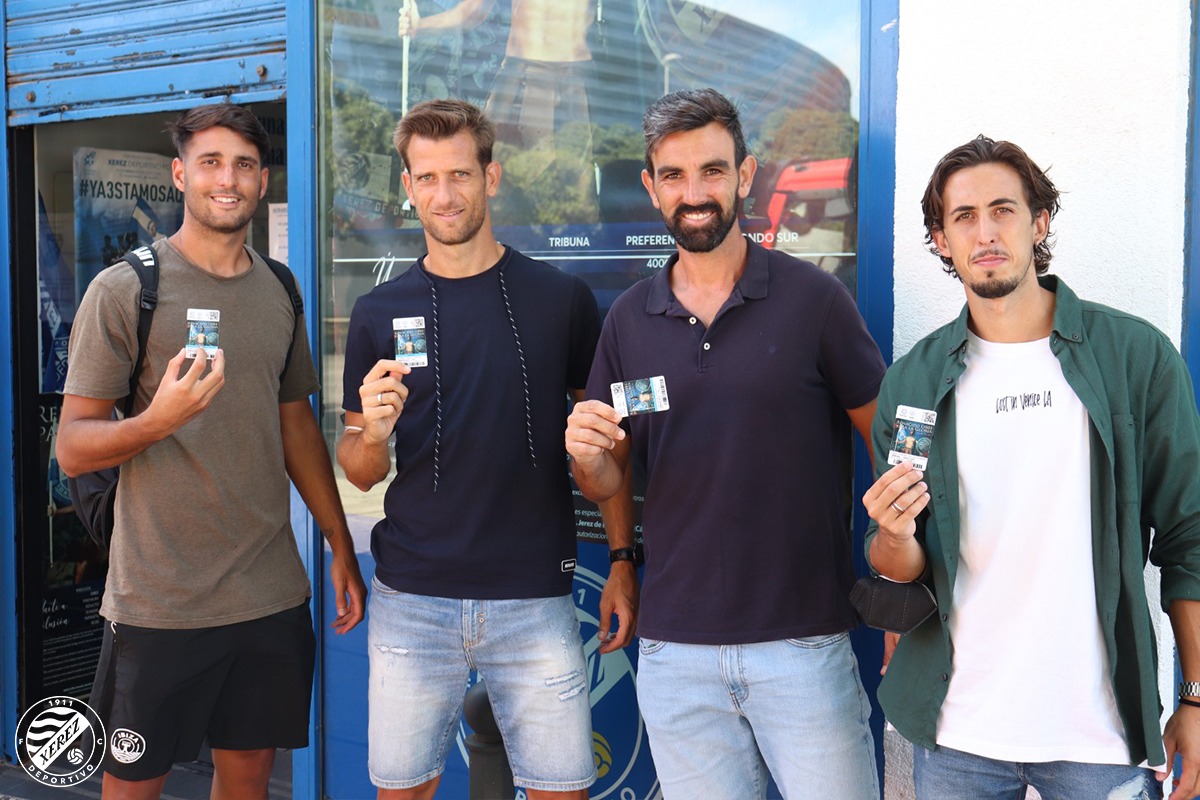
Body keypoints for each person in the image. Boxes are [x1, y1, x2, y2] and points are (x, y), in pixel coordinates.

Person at [565, 87, 884, 800]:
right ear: (651, 188)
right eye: (673, 176)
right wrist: (603, 507)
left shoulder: (815, 301)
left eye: (712, 171)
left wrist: (900, 578)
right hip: (676, 651)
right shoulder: (628, 321)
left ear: (746, 176)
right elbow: (609, 475)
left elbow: (885, 443)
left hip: (803, 643)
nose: (695, 193)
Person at [862, 135, 1200, 800]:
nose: (985, 232)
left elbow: (1189, 537)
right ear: (940, 240)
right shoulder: (914, 381)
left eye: (1003, 210)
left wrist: (1194, 697)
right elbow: (899, 569)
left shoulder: (1134, 358)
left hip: (1099, 736)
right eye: (963, 217)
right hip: (958, 733)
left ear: (1039, 222)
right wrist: (895, 537)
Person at [56, 103, 366, 800]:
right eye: (211, 163)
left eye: (245, 165)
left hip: (268, 593)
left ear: (263, 179)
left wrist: (338, 544)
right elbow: (72, 449)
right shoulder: (127, 290)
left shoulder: (281, 289)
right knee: (135, 783)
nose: (228, 179)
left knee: (249, 779)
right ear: (180, 174)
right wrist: (155, 420)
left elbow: (295, 428)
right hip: (158, 602)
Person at [337, 98, 611, 800]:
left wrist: (615, 519)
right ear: (407, 187)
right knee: (401, 791)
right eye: (425, 178)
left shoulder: (562, 299)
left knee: (563, 791)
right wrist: (370, 432)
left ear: (492, 176)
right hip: (412, 598)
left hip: (534, 597)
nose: (443, 194)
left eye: (459, 174)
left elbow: (606, 451)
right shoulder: (378, 312)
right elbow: (360, 470)